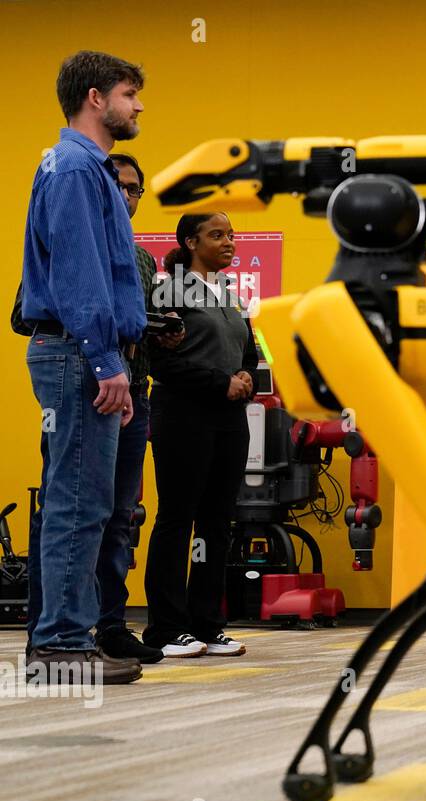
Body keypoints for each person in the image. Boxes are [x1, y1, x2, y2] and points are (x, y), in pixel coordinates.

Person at [18, 153, 185, 666]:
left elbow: (129, 322)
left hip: (130, 389)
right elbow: (29, 314)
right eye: (121, 188)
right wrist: (99, 350)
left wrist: (157, 331)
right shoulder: (74, 221)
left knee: (117, 516)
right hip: (90, 375)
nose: (128, 198)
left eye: (136, 191)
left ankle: (107, 626)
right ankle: (52, 635)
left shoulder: (139, 257)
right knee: (70, 508)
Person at [20, 51, 148, 685]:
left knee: (86, 501)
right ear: (96, 98)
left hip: (80, 352)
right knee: (77, 501)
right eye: (130, 94)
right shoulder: (74, 168)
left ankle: (62, 638)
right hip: (77, 353)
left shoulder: (85, 169)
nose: (138, 106)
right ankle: (58, 645)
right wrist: (105, 359)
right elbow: (79, 275)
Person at [142, 212, 256, 658]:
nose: (228, 242)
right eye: (217, 235)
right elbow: (159, 360)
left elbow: (247, 350)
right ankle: (166, 628)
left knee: (216, 523)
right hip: (183, 414)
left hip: (229, 418)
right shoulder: (166, 289)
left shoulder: (227, 293)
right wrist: (219, 383)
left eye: (231, 235)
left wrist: (245, 376)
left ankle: (206, 623)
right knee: (177, 520)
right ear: (191, 242)